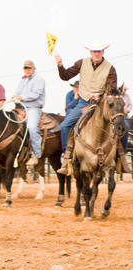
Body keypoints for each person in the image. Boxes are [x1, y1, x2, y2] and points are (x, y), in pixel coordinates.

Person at [55, 39, 119, 174]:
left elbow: (112, 90)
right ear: (90, 52)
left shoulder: (110, 68)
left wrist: (101, 96)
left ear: (103, 52)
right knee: (65, 126)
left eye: (99, 51)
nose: (96, 54)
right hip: (83, 103)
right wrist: (60, 66)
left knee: (121, 125)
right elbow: (66, 76)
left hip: (101, 106)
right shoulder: (81, 63)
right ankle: (69, 158)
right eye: (94, 51)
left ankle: (119, 159)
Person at [12, 60, 46, 165]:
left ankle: (36, 154)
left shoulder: (39, 79)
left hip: (34, 108)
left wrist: (21, 97)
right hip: (21, 107)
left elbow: (36, 94)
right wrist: (15, 97)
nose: (27, 70)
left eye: (29, 68)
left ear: (34, 69)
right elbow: (17, 92)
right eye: (25, 68)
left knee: (31, 128)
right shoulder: (22, 81)